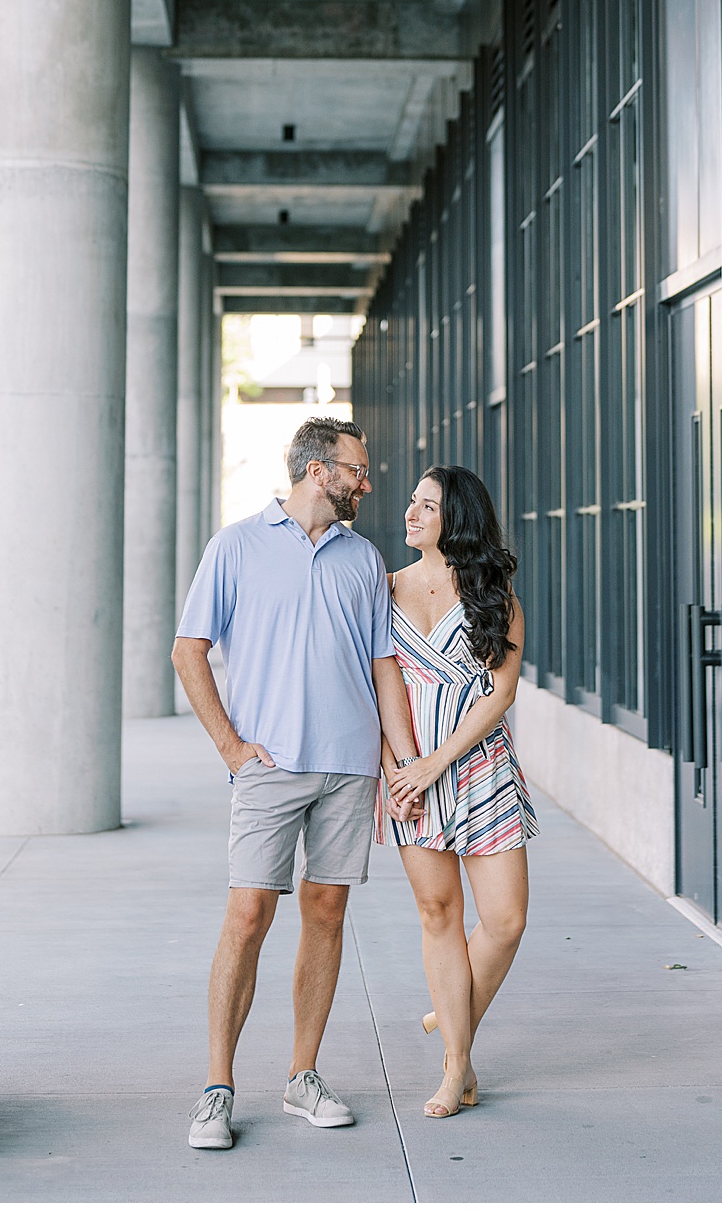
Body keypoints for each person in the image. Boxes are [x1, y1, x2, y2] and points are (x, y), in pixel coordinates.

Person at [171, 416, 417, 1152]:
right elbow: (190, 649)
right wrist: (231, 748)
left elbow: (383, 668)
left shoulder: (364, 559)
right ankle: (217, 1087)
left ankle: (303, 1073)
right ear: (318, 470)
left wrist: (401, 762)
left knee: (327, 913)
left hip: (349, 767)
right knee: (247, 915)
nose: (367, 481)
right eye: (357, 468)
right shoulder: (236, 545)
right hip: (269, 766)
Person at [375, 464, 537, 1119]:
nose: (410, 512)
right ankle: (456, 1066)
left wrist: (437, 760)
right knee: (439, 915)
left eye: (427, 504)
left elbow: (501, 691)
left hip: (477, 768)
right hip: (412, 777)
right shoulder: (383, 588)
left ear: (457, 518)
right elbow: (381, 684)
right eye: (412, 501)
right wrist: (398, 768)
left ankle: (451, 1017)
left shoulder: (494, 592)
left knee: (505, 919)